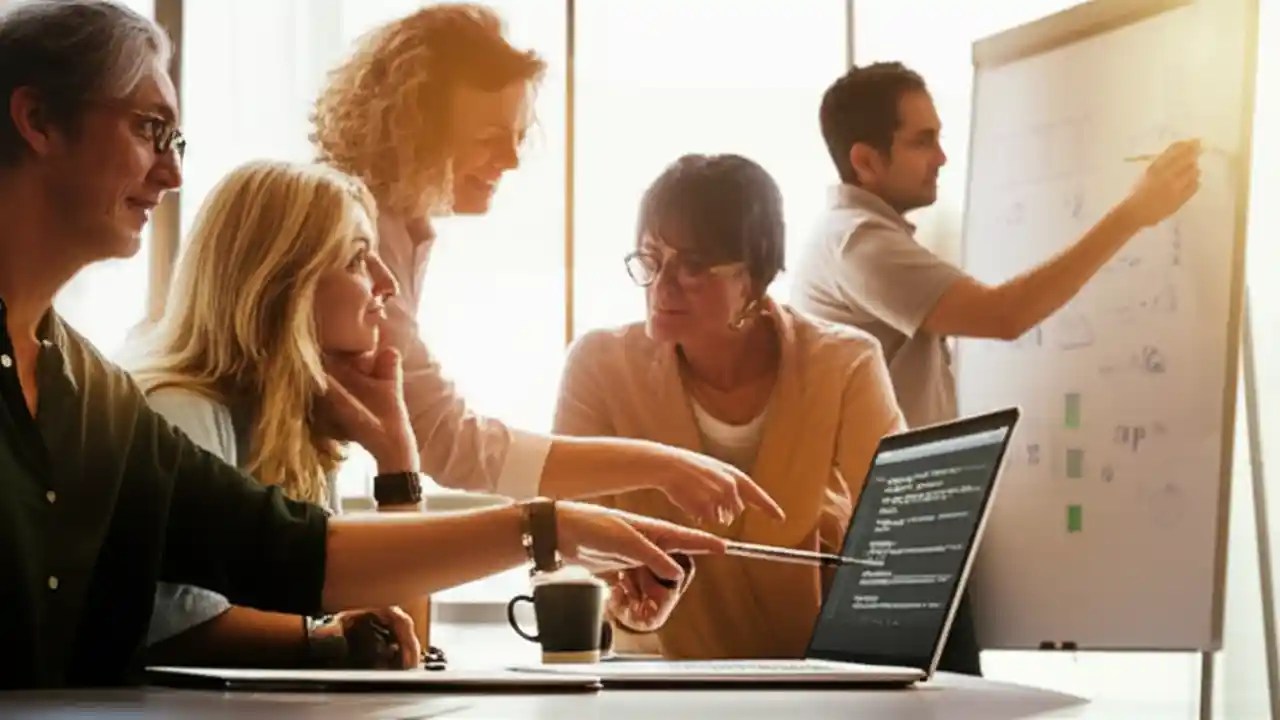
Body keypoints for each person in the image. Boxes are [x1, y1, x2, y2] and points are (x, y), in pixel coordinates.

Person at [0, 0, 725, 689]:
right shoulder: (160, 403)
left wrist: (542, 523)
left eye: (176, 140)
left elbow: (297, 551)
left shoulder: (90, 390)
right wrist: (559, 518)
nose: (174, 171)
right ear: (37, 120)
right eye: (150, 129)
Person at [789, 61, 1201, 674]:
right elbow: (1002, 314)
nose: (943, 158)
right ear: (866, 160)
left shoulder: (859, 235)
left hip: (898, 522)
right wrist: (1135, 213)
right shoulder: (860, 243)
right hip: (891, 530)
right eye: (922, 141)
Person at [310, 4, 782, 527]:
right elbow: (449, 440)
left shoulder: (397, 229)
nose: (512, 160)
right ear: (413, 132)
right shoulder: (358, 236)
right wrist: (664, 466)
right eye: (490, 138)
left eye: (517, 135)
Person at [554, 154, 905, 659]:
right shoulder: (601, 365)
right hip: (651, 670)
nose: (662, 284)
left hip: (810, 672)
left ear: (756, 277)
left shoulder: (843, 364)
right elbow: (567, 534)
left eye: (693, 266)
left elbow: (890, 534)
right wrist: (622, 596)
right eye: (651, 258)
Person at [123, 160, 430, 668]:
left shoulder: (294, 429)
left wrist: (397, 462)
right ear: (284, 281)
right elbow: (173, 631)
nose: (387, 282)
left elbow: (400, 637)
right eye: (358, 259)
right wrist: (327, 638)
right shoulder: (179, 412)